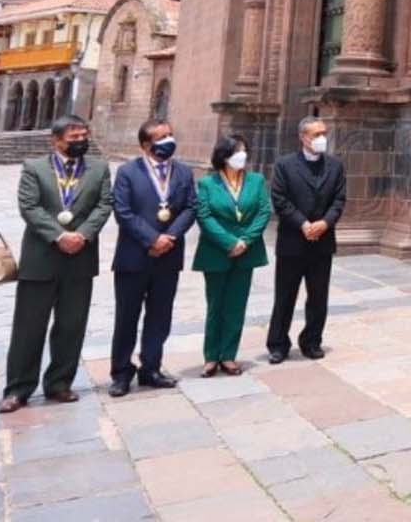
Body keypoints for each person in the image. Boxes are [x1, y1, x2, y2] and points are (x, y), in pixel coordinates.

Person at [0, 116, 111, 412]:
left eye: (83, 135)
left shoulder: (98, 169)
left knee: (71, 325)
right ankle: (18, 388)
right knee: (28, 326)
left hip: (80, 258)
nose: (80, 141)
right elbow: (29, 207)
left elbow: (104, 205)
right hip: (42, 257)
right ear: (56, 140)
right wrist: (59, 235)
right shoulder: (34, 168)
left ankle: (60, 382)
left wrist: (83, 235)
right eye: (74, 137)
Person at [108, 119, 198, 396]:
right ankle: (122, 371)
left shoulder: (182, 172)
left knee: (160, 316)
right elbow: (123, 211)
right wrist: (152, 238)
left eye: (170, 135)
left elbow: (191, 207)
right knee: (127, 316)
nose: (168, 141)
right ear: (146, 144)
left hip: (168, 257)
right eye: (162, 137)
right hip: (135, 256)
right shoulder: (127, 172)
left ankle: (151, 367)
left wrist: (169, 237)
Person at [267, 117, 345, 363]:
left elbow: (339, 200)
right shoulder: (285, 165)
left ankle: (312, 341)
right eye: (316, 134)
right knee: (285, 296)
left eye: (324, 133)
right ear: (303, 137)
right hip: (293, 241)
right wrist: (303, 224)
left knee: (318, 296)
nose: (321, 138)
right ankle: (278, 344)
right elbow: (279, 199)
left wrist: (324, 223)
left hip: (322, 242)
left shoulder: (334, 166)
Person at [194, 135, 269, 376]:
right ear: (224, 155)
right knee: (216, 304)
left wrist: (245, 240)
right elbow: (204, 215)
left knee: (237, 305)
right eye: (237, 151)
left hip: (246, 252)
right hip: (216, 251)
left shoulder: (256, 181)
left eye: (245, 150)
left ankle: (229, 355)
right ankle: (210, 356)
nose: (242, 155)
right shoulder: (208, 183)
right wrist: (229, 242)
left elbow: (264, 211)